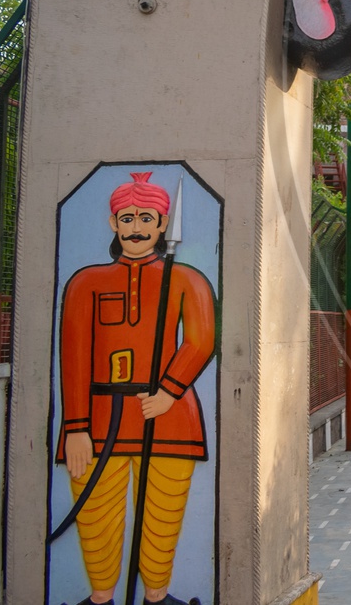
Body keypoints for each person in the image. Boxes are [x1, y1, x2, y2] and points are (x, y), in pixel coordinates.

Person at [57, 172, 216, 605]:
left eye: (147, 217)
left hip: (167, 416)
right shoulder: (84, 283)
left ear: (163, 224)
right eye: (127, 218)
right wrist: (75, 427)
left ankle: (157, 597)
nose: (136, 227)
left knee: (161, 517)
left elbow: (201, 340)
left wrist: (169, 390)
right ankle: (101, 599)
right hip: (98, 417)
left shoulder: (187, 280)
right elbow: (73, 355)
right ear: (113, 223)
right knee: (96, 517)